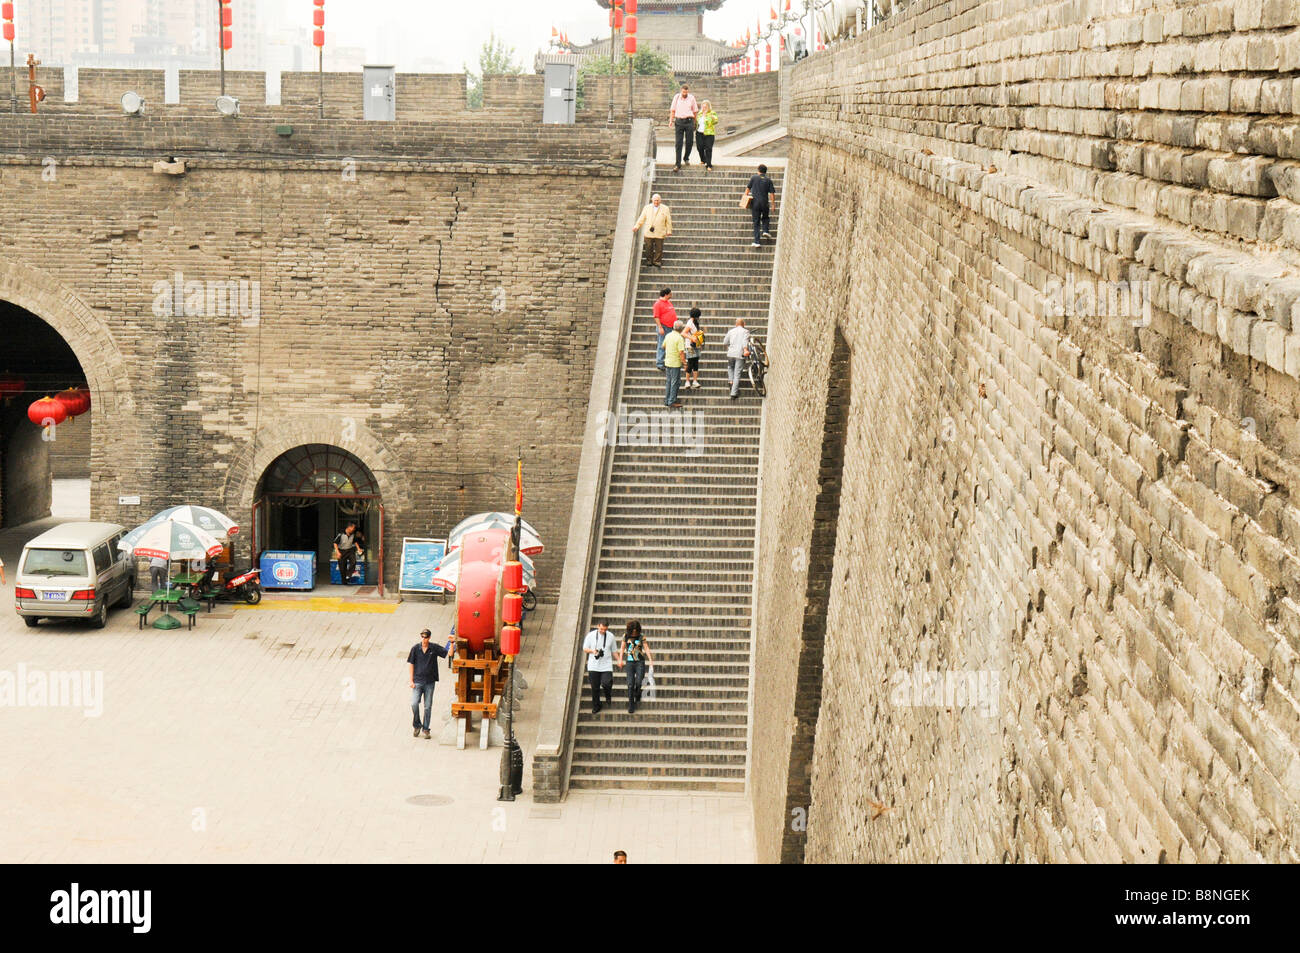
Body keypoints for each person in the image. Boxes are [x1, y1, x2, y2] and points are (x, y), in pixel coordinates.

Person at [408, 628, 451, 738]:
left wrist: (452, 643)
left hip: (429, 682)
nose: (424, 639)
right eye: (422, 637)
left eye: (426, 637)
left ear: (429, 638)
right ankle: (417, 724)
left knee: (427, 706)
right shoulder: (415, 649)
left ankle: (426, 728)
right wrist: (411, 680)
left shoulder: (434, 648)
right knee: (414, 703)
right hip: (417, 681)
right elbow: (411, 664)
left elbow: (448, 653)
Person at [616, 619, 654, 715]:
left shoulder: (641, 636)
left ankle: (638, 692)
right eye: (632, 631)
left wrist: (650, 660)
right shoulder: (625, 636)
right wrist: (620, 659)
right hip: (629, 662)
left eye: (636, 631)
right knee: (630, 684)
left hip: (640, 662)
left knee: (639, 681)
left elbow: (646, 648)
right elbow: (622, 648)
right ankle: (631, 704)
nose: (634, 633)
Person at [583, 621, 616, 714]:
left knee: (607, 683)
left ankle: (608, 695)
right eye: (601, 629)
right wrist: (593, 651)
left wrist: (619, 660)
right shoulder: (591, 635)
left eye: (605, 629)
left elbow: (614, 650)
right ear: (598, 626)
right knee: (595, 687)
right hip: (593, 665)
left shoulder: (611, 636)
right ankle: (596, 705)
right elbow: (585, 648)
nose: (602, 631)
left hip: (606, 665)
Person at [632, 193, 672, 269]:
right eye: (655, 200)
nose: (656, 202)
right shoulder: (647, 208)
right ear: (652, 200)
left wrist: (669, 230)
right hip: (649, 232)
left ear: (660, 201)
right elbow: (642, 218)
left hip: (660, 231)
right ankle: (649, 261)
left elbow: (668, 220)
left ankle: (657, 261)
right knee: (648, 247)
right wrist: (637, 226)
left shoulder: (665, 208)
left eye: (657, 200)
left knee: (659, 248)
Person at [668, 83, 699, 171]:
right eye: (683, 93)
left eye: (686, 93)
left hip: (689, 121)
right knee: (678, 143)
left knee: (689, 142)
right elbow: (673, 110)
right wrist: (671, 120)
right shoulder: (676, 97)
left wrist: (695, 122)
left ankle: (686, 158)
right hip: (679, 122)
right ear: (681, 91)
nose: (684, 94)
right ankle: (677, 164)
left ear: (688, 91)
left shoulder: (691, 98)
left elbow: (695, 111)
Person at [745, 164, 778, 247]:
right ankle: (765, 230)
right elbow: (772, 194)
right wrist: (773, 205)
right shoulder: (768, 180)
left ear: (758, 170)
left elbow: (747, 190)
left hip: (755, 203)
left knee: (756, 222)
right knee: (765, 217)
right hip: (765, 203)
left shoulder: (754, 178)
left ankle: (757, 242)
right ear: (765, 172)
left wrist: (745, 200)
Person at [723, 317, 751, 399]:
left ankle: (730, 381)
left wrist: (730, 347)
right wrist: (745, 349)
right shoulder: (746, 331)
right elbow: (745, 342)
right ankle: (733, 393)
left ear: (736, 324)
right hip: (740, 354)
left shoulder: (731, 331)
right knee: (737, 373)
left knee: (730, 367)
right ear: (744, 324)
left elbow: (725, 342)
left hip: (731, 354)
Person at [652, 287, 677, 372]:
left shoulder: (668, 302)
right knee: (662, 345)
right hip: (663, 327)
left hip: (670, 327)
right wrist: (660, 327)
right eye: (670, 294)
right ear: (666, 294)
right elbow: (656, 316)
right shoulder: (658, 304)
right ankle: (660, 363)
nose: (671, 295)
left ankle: (666, 361)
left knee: (669, 345)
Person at [663, 320, 686, 409]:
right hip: (675, 363)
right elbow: (681, 352)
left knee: (669, 381)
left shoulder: (668, 335)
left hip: (668, 361)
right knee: (675, 382)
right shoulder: (679, 338)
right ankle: (671, 401)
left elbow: (663, 346)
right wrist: (684, 363)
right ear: (681, 329)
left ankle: (667, 400)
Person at [682, 307, 703, 390]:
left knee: (696, 364)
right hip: (690, 346)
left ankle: (694, 381)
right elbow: (683, 333)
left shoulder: (695, 322)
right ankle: (687, 381)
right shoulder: (690, 323)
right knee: (690, 363)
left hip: (696, 345)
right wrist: (691, 338)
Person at [696, 100, 719, 171]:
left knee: (708, 149)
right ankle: (703, 160)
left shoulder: (712, 113)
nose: (704, 108)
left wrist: (710, 116)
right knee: (699, 147)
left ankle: (709, 165)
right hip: (699, 133)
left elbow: (716, 121)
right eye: (703, 106)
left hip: (709, 134)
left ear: (709, 107)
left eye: (706, 107)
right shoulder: (699, 113)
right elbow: (697, 122)